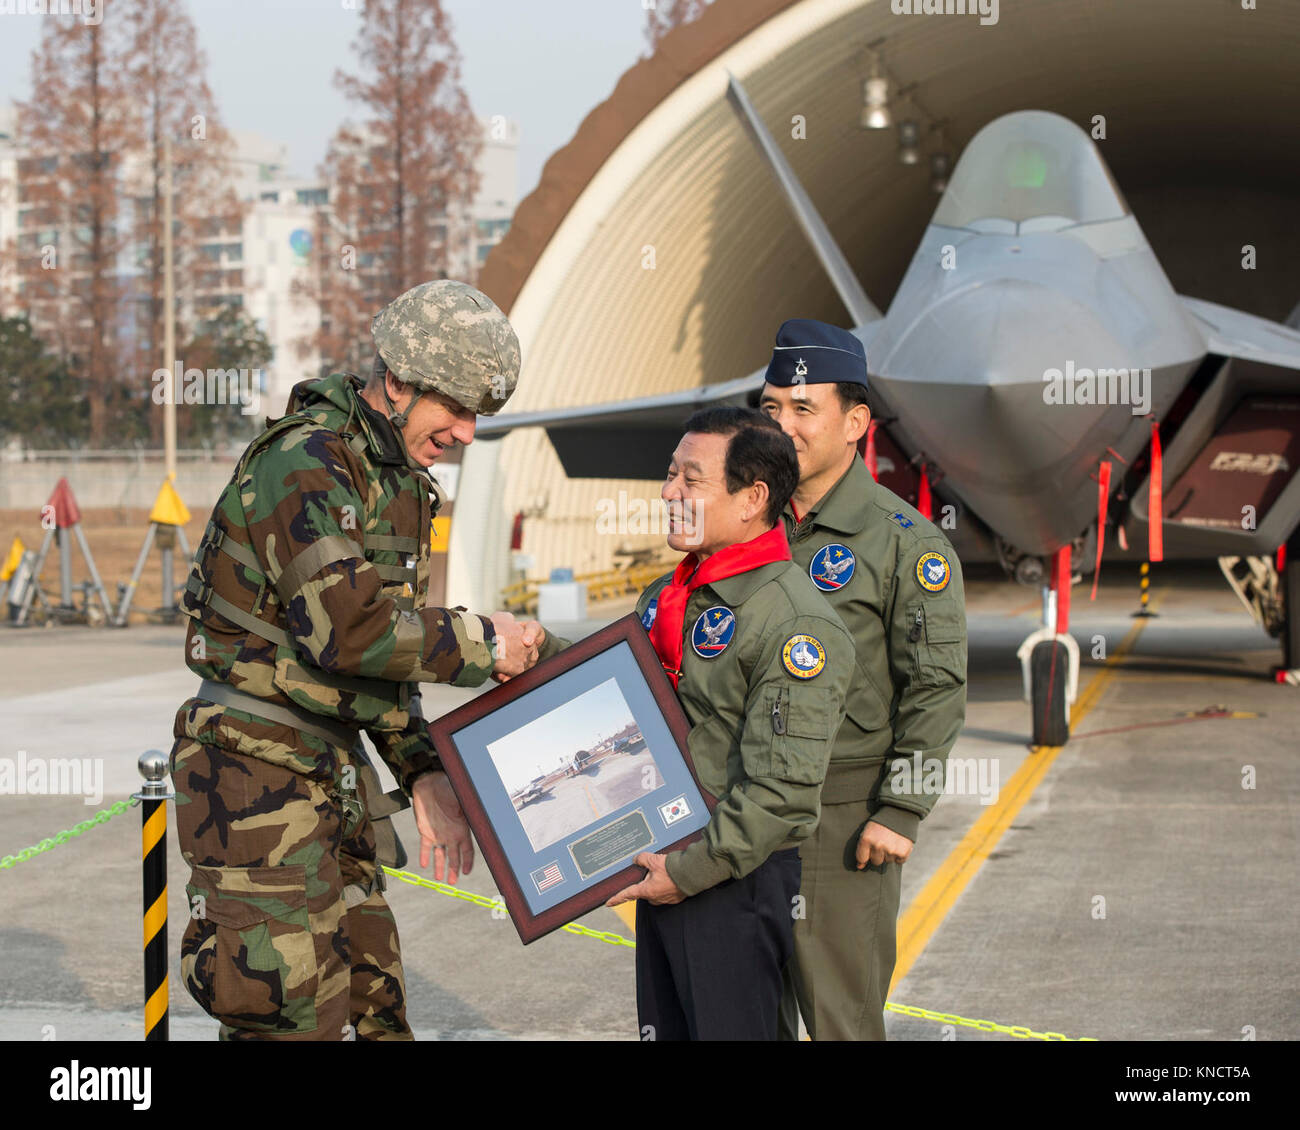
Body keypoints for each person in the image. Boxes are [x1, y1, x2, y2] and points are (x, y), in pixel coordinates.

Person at [170, 279, 555, 1041]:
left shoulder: (394, 482)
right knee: (289, 1021)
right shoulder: (305, 463)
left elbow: (385, 655)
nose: (468, 433)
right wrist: (486, 644)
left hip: (326, 772)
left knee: (376, 1009)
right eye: (456, 407)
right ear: (400, 381)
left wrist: (421, 769)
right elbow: (350, 632)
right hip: (254, 776)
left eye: (480, 414)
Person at [606, 406, 854, 1040]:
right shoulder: (667, 596)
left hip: (730, 877)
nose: (668, 493)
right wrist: (533, 650)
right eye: (669, 475)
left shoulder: (797, 622)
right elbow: (625, 689)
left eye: (691, 480)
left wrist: (687, 874)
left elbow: (782, 793)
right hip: (668, 862)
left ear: (753, 499)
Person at [757, 318, 968, 1041]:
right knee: (747, 1017)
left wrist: (902, 808)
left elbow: (934, 686)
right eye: (770, 408)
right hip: (739, 808)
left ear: (855, 423)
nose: (780, 425)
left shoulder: (906, 543)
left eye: (801, 408)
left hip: (840, 819)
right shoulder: (745, 525)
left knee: (841, 1019)